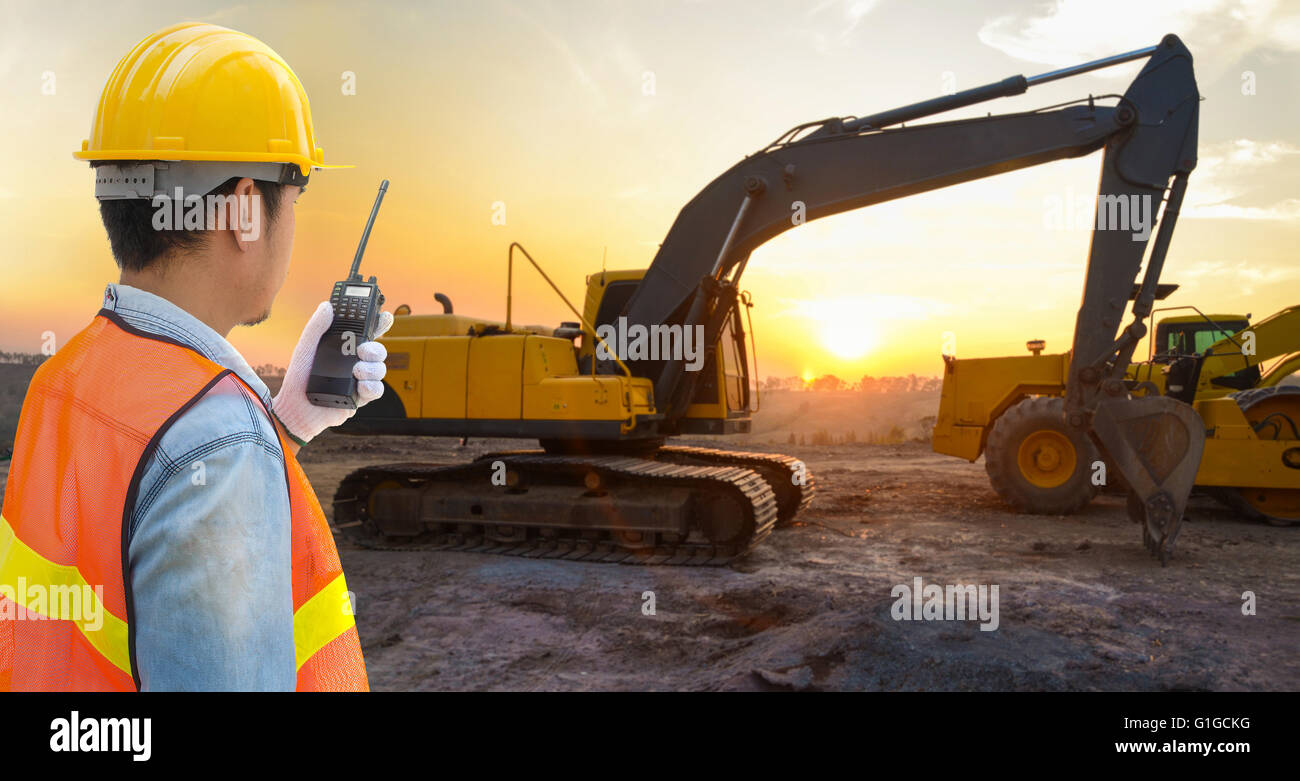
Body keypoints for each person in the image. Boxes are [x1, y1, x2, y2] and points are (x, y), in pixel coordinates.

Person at [0, 22, 389, 691]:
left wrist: (284, 424)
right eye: (296, 193)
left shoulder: (62, 378)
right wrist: (244, 438)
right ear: (243, 208)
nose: (293, 221)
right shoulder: (220, 445)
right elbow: (191, 473)